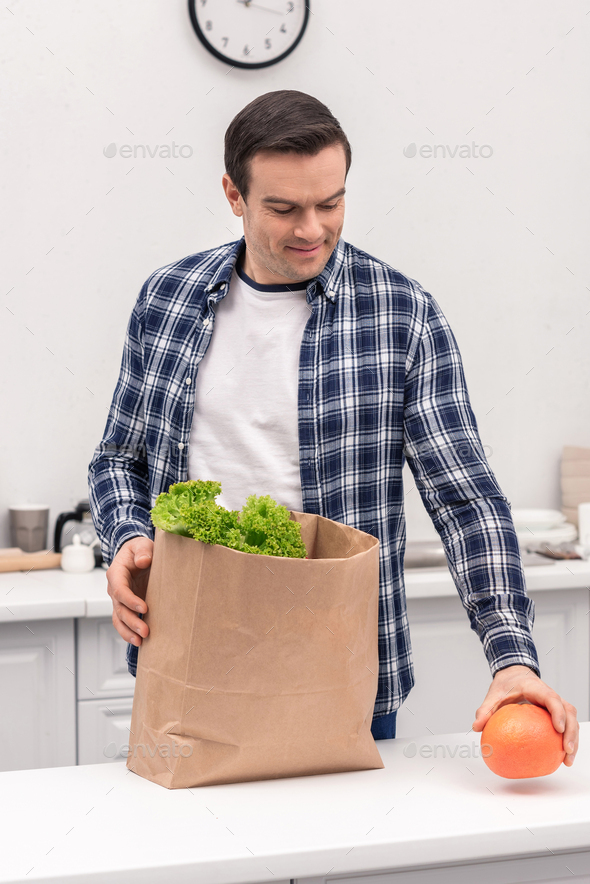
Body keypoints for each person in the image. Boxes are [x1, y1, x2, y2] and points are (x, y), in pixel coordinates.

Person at [88, 90, 578, 756]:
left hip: (343, 674)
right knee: (196, 861)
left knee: (340, 861)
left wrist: (512, 658)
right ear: (234, 194)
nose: (312, 228)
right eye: (284, 208)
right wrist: (125, 538)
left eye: (331, 202)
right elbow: (120, 458)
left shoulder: (401, 313)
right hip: (189, 656)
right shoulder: (167, 298)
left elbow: (466, 501)